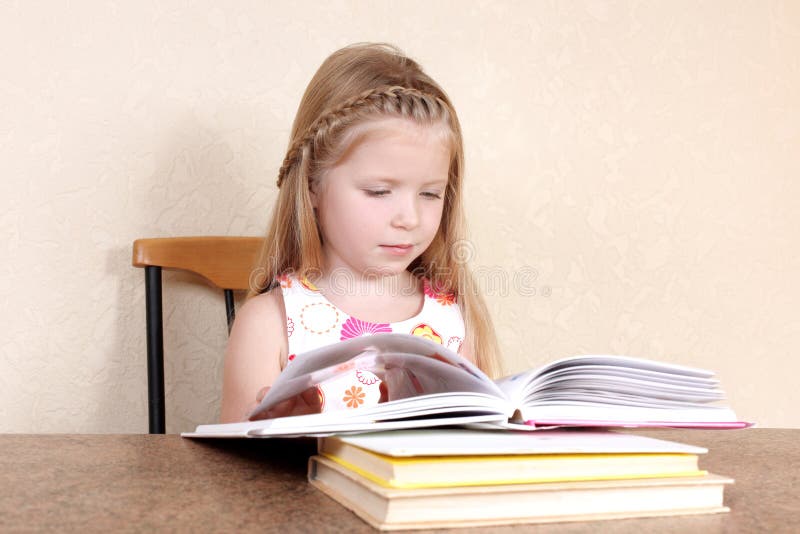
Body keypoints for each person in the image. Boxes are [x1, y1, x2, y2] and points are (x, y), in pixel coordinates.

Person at [220, 43, 501, 423]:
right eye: (379, 192)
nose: (409, 218)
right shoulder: (269, 322)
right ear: (312, 187)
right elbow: (232, 473)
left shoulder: (452, 320)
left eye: (430, 193)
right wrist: (290, 434)